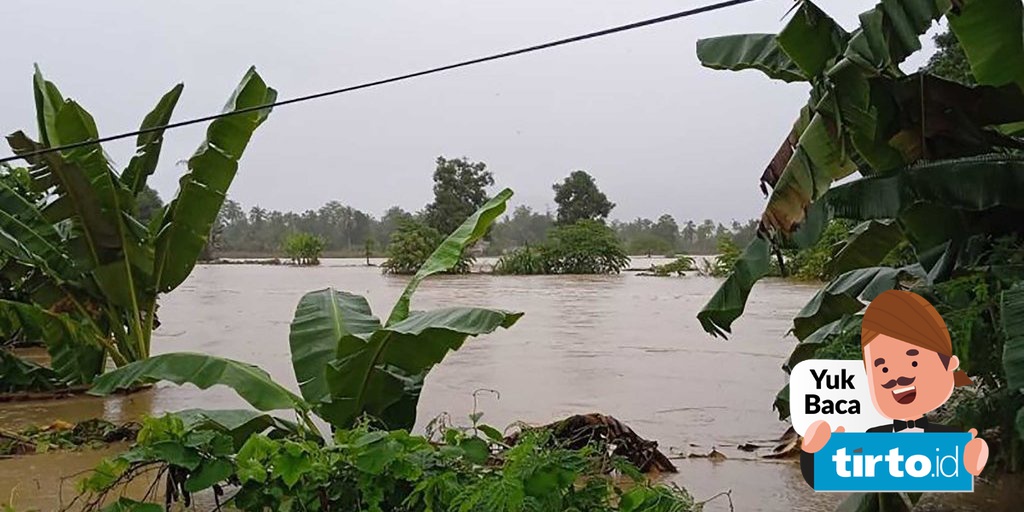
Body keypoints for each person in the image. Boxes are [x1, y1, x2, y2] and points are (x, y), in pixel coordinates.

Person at [800, 290, 988, 486]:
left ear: (949, 364)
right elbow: (828, 472)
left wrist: (972, 461)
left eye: (914, 363)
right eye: (884, 368)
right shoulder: (873, 437)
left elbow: (967, 468)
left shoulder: (950, 441)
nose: (898, 378)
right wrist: (815, 454)